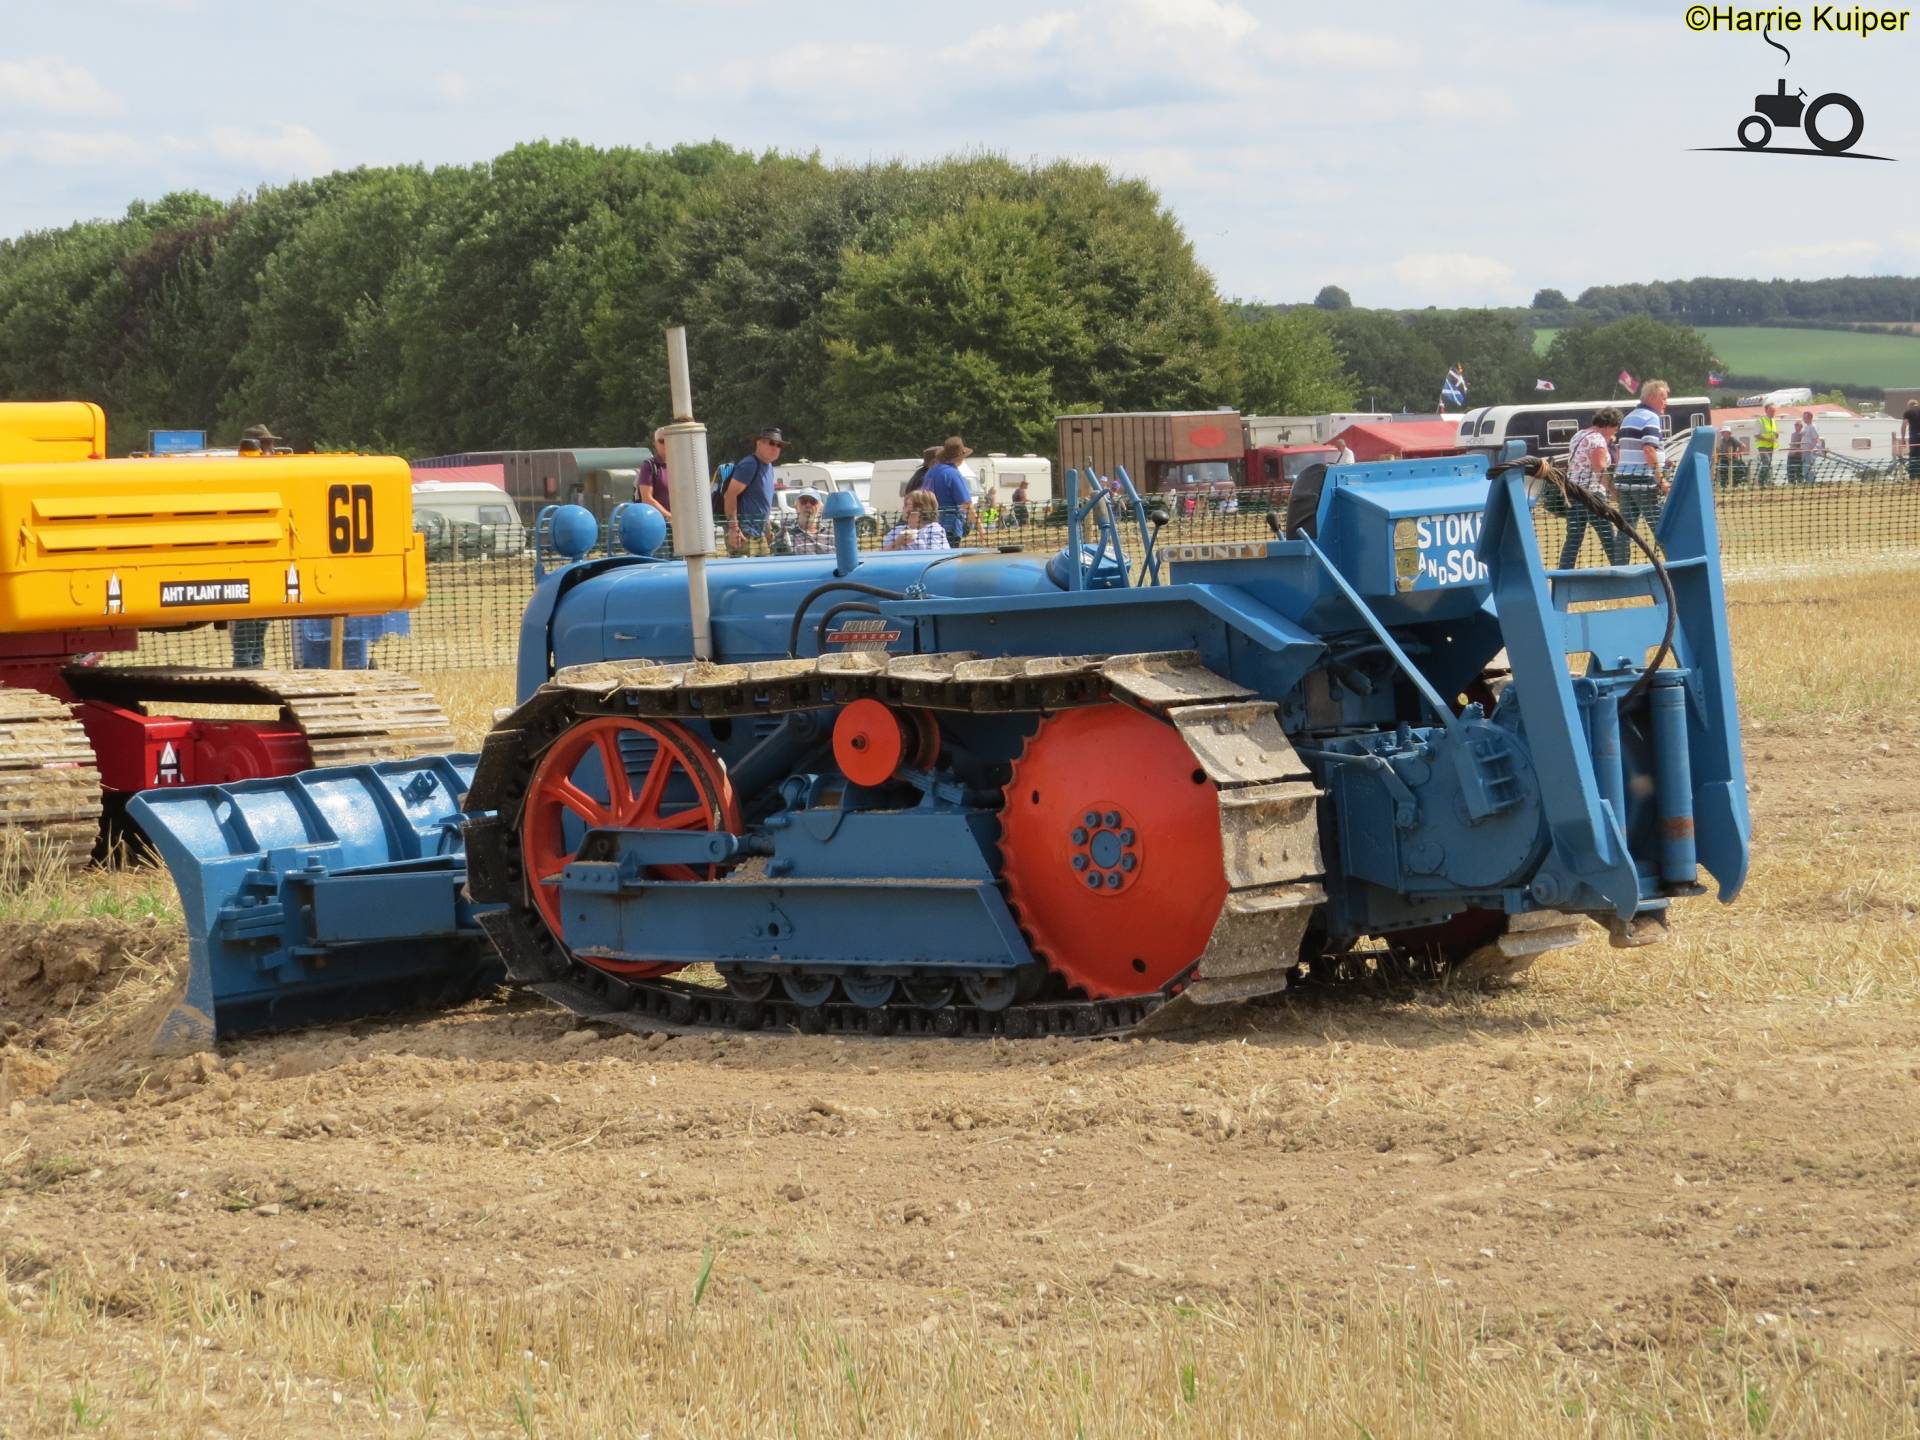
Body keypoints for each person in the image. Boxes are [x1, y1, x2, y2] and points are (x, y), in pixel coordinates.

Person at [231, 424, 280, 667]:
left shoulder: (265, 471)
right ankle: (244, 662)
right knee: (246, 615)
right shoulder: (245, 471)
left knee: (261, 616)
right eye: (269, 445)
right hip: (245, 554)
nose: (273, 449)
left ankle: (256, 661)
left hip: (264, 551)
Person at [1558, 408, 1624, 568]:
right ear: (1609, 425)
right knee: (1607, 534)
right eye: (1616, 427)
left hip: (1573, 492)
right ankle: (1622, 569)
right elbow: (1599, 470)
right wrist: (1615, 493)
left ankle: (1563, 574)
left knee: (1574, 537)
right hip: (1592, 495)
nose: (1617, 431)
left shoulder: (1579, 435)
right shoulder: (1597, 440)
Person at [1614, 379, 1670, 541]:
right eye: (1663, 398)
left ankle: (1620, 565)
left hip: (1624, 479)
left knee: (1625, 532)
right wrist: (1661, 480)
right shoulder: (1651, 417)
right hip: (1643, 481)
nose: (1666, 403)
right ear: (1652, 398)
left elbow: (1620, 451)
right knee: (1660, 527)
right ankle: (1675, 564)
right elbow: (1648, 449)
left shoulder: (1628, 418)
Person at [723, 426, 786, 554]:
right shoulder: (750, 464)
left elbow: (763, 504)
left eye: (779, 445)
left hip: (760, 534)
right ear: (759, 443)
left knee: (765, 572)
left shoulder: (769, 466)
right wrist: (733, 528)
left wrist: (768, 530)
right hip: (744, 534)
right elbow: (730, 495)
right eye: (771, 443)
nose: (775, 448)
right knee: (745, 573)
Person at [922, 435, 976, 545]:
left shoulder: (930, 472)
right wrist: (979, 527)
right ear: (960, 457)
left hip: (929, 525)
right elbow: (966, 504)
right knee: (951, 559)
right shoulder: (953, 474)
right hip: (950, 526)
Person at [883, 489, 950, 551]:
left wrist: (916, 542)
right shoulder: (896, 530)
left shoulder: (934, 529)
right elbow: (881, 555)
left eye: (907, 504)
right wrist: (897, 543)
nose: (903, 508)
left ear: (921, 508)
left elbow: (937, 556)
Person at [634, 428, 672, 522]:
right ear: (656, 444)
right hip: (657, 525)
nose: (666, 444)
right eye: (662, 441)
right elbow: (647, 499)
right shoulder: (649, 466)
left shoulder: (681, 465)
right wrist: (669, 517)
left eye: (669, 440)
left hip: (683, 524)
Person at [784, 489, 833, 554]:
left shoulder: (832, 536)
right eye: (803, 501)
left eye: (813, 502)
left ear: (820, 508)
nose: (808, 505)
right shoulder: (787, 534)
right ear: (796, 507)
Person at [1753, 402, 1780, 484]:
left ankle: (1767, 481)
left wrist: (1776, 435)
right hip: (1762, 446)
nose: (1773, 412)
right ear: (1766, 410)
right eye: (1771, 411)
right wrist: (1768, 439)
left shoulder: (1774, 421)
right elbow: (1756, 435)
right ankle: (1761, 481)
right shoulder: (1760, 420)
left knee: (1768, 464)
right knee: (1766, 462)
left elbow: (1775, 433)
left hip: (1771, 446)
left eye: (1774, 411)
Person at [1799, 410, 1825, 478]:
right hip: (1804, 451)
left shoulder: (1812, 427)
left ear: (1810, 418)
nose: (1803, 419)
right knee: (1805, 467)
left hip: (1809, 451)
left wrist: (1817, 449)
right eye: (1803, 417)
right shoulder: (1805, 427)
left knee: (1808, 467)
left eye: (1805, 417)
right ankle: (1807, 481)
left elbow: (1816, 438)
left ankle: (1810, 482)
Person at [1902, 400, 1920, 480]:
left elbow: (1904, 426)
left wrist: (1903, 438)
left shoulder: (1908, 412)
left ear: (1909, 406)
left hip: (1914, 436)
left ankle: (1913, 477)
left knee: (1913, 456)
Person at [1786, 419, 1807, 485]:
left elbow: (1803, 445)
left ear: (1801, 426)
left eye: (1797, 425)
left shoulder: (1803, 434)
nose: (1796, 426)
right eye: (1795, 425)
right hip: (1791, 456)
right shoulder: (1793, 434)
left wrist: (1797, 451)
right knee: (1790, 472)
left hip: (1799, 457)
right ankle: (1791, 483)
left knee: (1799, 473)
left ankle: (1800, 483)